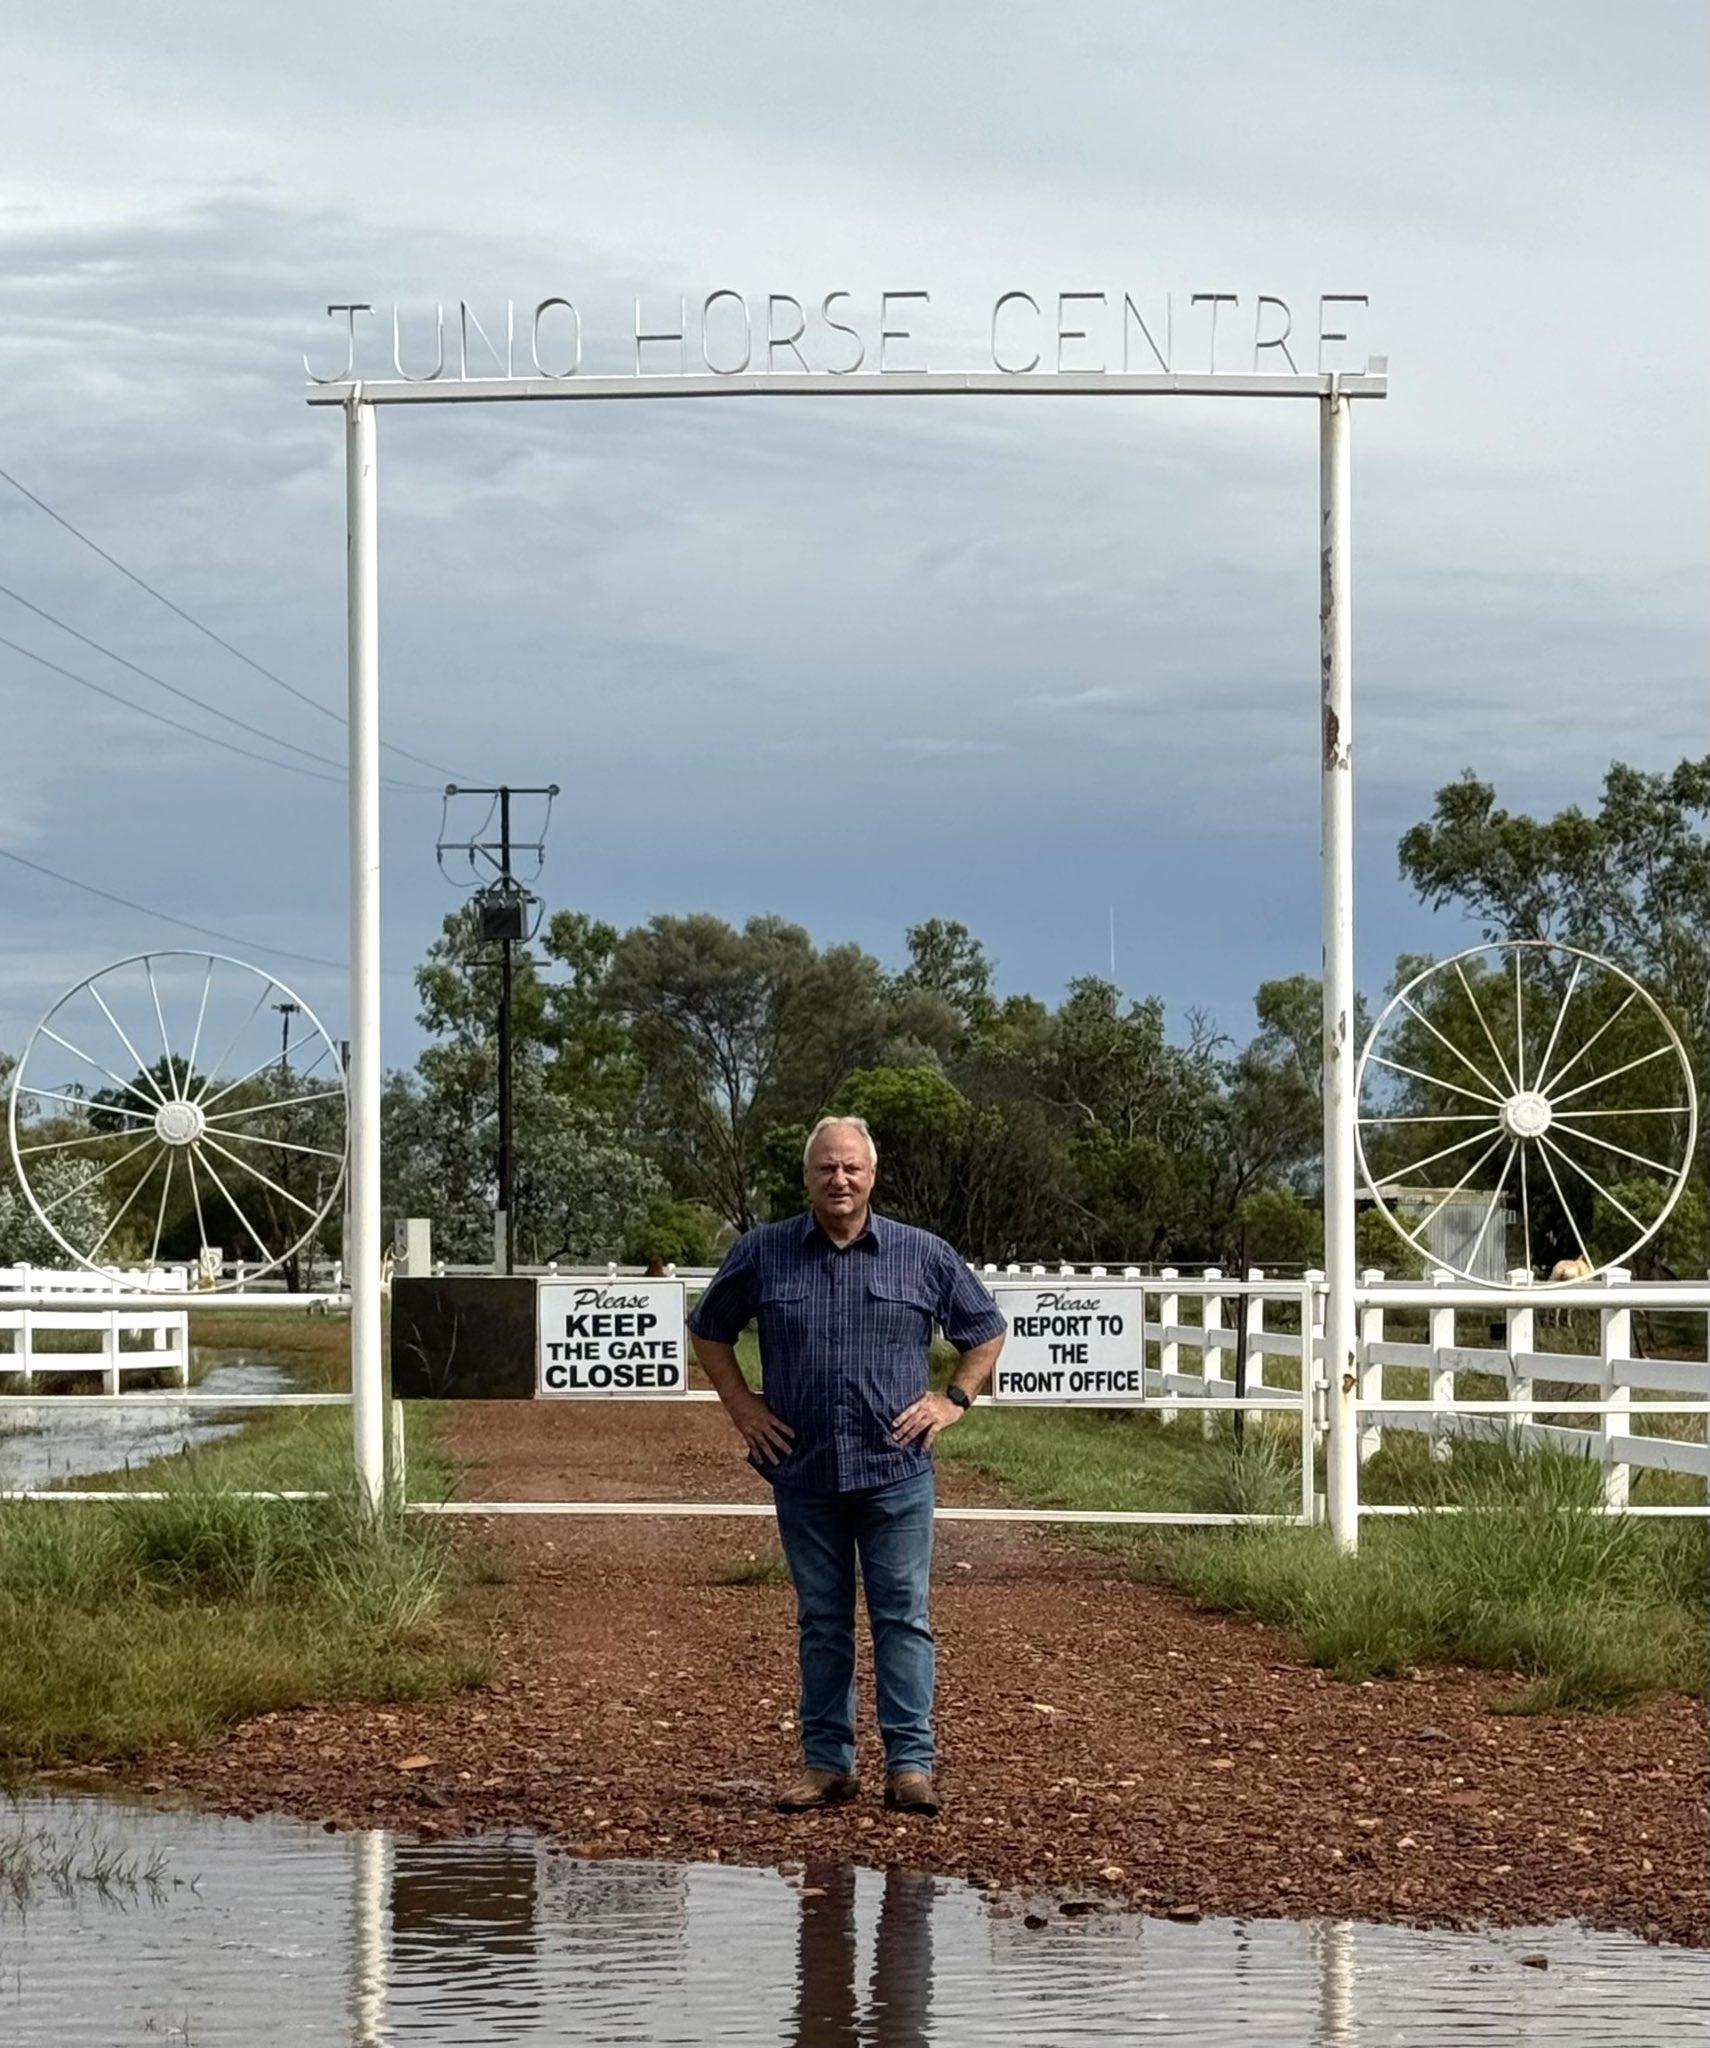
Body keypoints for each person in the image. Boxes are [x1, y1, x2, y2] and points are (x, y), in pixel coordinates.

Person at [687, 1115, 1006, 1818]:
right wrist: (743, 1408)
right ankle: (827, 1764)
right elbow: (708, 1329)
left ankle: (911, 1767)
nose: (839, 1180)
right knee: (822, 1620)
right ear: (807, 1177)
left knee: (902, 1616)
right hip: (803, 1470)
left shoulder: (922, 1254)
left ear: (872, 1176)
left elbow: (984, 1330)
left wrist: (952, 1400)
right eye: (826, 1168)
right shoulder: (763, 1253)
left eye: (851, 1168)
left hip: (895, 1467)